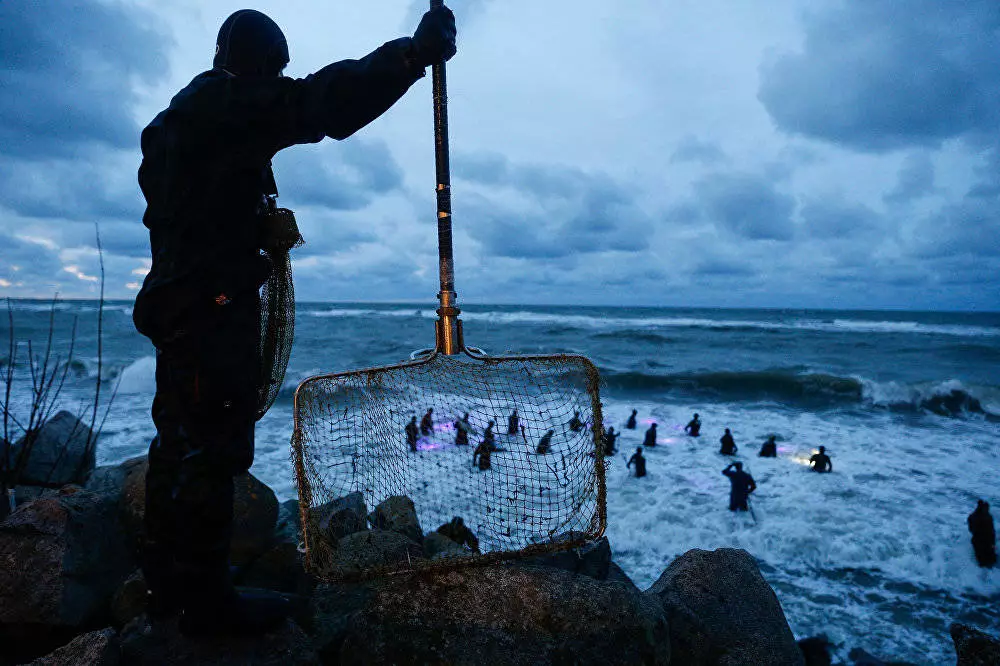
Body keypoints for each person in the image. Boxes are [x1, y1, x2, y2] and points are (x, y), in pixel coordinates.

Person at [131, 6, 457, 636]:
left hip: (178, 307)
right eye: (274, 68)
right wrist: (410, 57)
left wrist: (250, 223)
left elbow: (192, 211)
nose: (278, 79)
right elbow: (322, 103)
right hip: (209, 311)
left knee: (178, 442)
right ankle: (203, 605)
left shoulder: (172, 127)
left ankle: (167, 589)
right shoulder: (224, 109)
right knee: (211, 448)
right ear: (247, 61)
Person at [968, 499, 997, 568]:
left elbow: (970, 529)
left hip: (977, 540)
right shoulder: (988, 517)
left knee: (983, 558)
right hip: (984, 540)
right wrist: (993, 543)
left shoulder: (972, 516)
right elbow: (991, 532)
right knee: (991, 559)